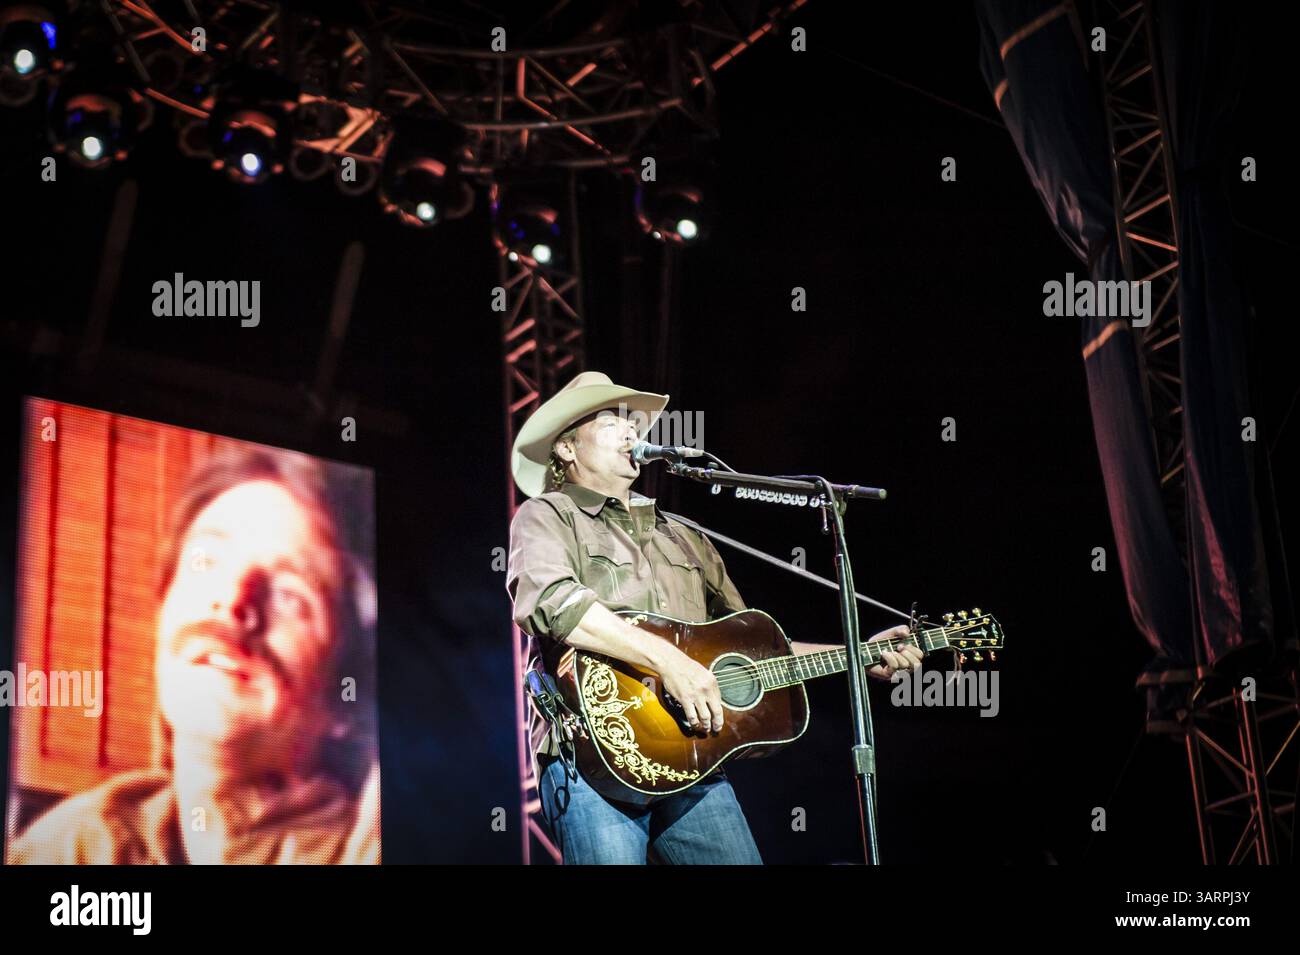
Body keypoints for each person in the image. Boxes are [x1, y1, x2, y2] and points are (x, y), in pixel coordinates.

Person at [506, 371, 921, 864]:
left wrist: (856, 653)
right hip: (593, 760)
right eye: (610, 420)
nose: (630, 431)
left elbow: (753, 648)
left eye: (631, 421)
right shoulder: (548, 515)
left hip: (692, 758)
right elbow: (551, 602)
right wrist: (671, 665)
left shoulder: (683, 534)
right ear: (567, 449)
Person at [8, 446, 379, 864]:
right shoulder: (71, 846)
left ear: (346, 701)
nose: (232, 599)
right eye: (206, 561)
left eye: (291, 595)